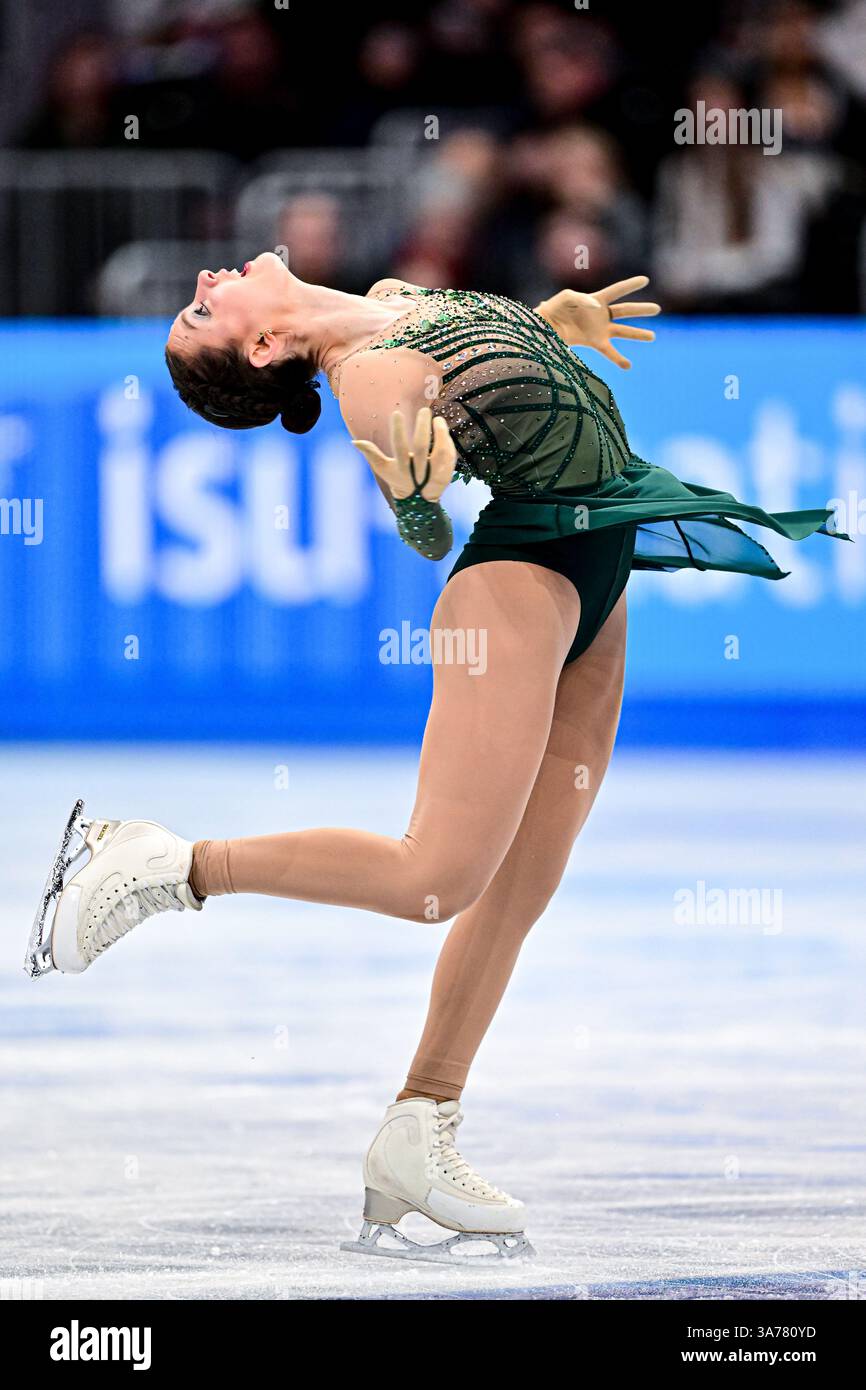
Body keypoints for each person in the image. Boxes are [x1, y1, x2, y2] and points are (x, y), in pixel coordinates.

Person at [25, 252, 840, 1263]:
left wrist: (549, 324)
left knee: (518, 884)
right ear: (268, 345)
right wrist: (416, 498)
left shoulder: (386, 303)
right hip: (518, 583)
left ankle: (421, 1125)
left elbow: (477, 372)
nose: (205, 273)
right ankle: (162, 864)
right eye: (205, 308)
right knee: (435, 878)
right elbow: (419, 519)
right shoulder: (367, 370)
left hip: (592, 567)